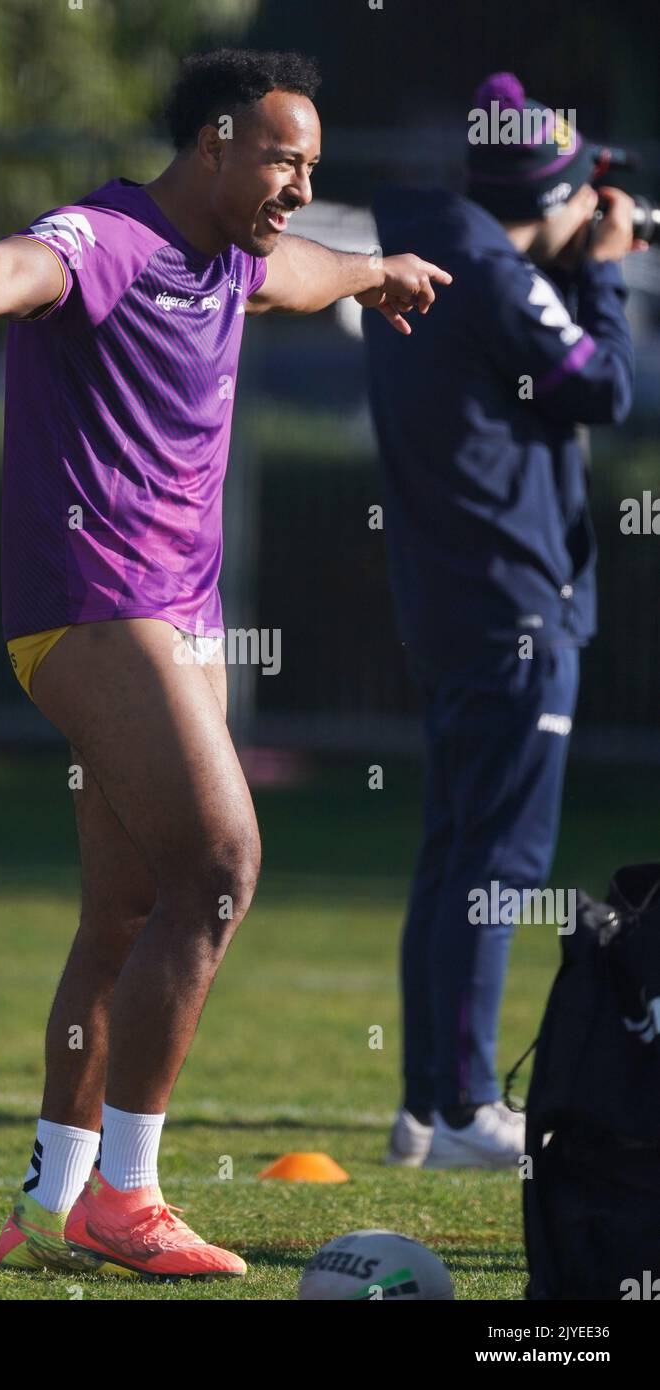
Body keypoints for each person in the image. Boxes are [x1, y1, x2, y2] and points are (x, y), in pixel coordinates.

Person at [0, 48, 450, 1278]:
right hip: (94, 606)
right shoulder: (105, 239)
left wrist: (372, 273)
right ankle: (130, 1191)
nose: (299, 184)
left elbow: (296, 274)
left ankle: (48, 1200)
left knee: (127, 912)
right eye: (283, 158)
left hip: (180, 617)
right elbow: (5, 269)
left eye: (313, 164)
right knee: (221, 863)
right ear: (213, 141)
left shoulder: (233, 259)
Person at [361, 73, 643, 1170]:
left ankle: (428, 1107)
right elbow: (601, 389)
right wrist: (603, 278)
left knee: (452, 854)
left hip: (450, 601)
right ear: (556, 190)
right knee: (499, 864)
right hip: (515, 601)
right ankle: (471, 1106)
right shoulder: (486, 267)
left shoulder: (433, 250)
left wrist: (565, 264)